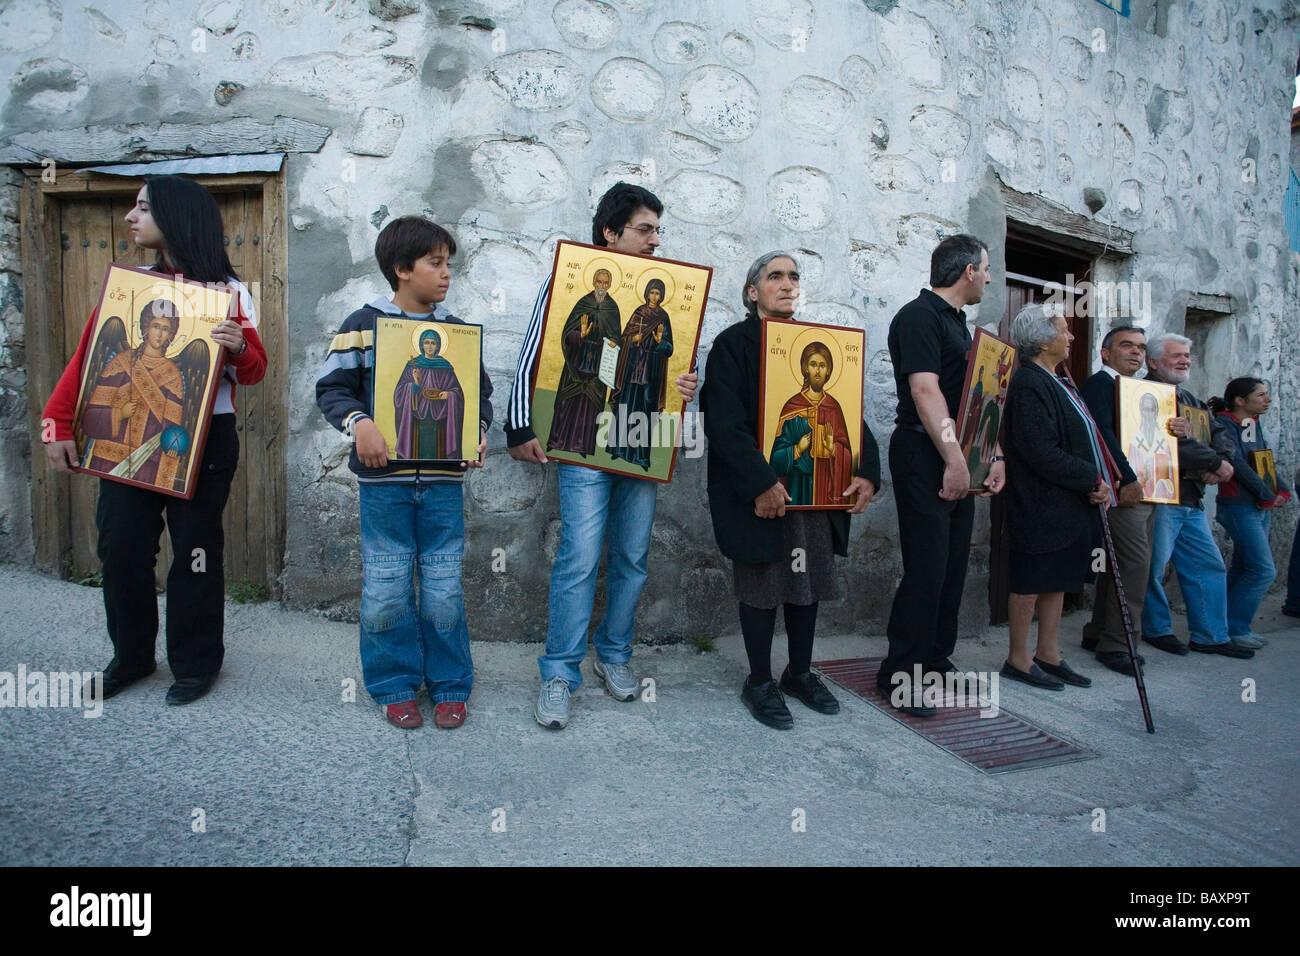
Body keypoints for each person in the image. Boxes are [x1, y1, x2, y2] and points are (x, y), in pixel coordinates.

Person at [42, 175, 267, 705]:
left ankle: (195, 663)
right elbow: (86, 363)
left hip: (204, 441)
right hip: (127, 439)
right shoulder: (130, 290)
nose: (130, 217)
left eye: (143, 207)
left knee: (195, 551)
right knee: (120, 546)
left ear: (176, 216)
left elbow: (254, 372)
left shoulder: (230, 295)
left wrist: (237, 347)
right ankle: (132, 658)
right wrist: (56, 424)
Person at [504, 182, 698, 730]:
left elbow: (669, 359)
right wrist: (520, 424)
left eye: (658, 230)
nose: (655, 240)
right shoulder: (566, 284)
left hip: (640, 425)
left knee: (633, 555)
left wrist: (681, 386)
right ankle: (560, 672)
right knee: (580, 555)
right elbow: (537, 352)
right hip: (586, 435)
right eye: (644, 229)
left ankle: (613, 654)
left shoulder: (652, 305)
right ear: (610, 233)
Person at [316, 216, 492, 730]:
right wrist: (362, 422)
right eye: (435, 263)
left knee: (443, 587)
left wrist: (477, 431)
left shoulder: (455, 334)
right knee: (387, 585)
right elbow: (332, 388)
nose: (446, 274)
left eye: (448, 264)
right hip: (384, 486)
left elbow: (476, 393)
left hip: (442, 484)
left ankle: (450, 682)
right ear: (401, 269)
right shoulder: (363, 325)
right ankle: (394, 682)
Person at [701, 252, 880, 728]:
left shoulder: (818, 344)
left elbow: (850, 414)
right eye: (774, 276)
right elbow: (724, 421)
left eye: (793, 276)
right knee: (762, 582)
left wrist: (866, 470)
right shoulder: (733, 345)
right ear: (752, 291)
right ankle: (758, 680)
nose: (786, 284)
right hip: (760, 493)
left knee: (807, 583)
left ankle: (799, 672)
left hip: (814, 492)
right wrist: (761, 482)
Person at [878, 234, 1005, 716]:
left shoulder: (958, 324)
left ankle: (934, 659)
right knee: (927, 568)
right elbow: (925, 391)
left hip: (959, 451)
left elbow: (980, 399)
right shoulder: (918, 317)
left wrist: (992, 456)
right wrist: (954, 459)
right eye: (987, 268)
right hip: (923, 451)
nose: (990, 278)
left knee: (952, 568)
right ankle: (899, 674)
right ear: (968, 270)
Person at [1001, 304, 1110, 690]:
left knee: (1058, 579)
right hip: (1039, 503)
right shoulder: (1030, 382)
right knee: (1031, 580)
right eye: (1065, 331)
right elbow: (1038, 449)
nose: (1071, 337)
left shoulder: (1057, 379)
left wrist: (1095, 480)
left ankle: (1048, 653)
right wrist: (1090, 477)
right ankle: (1018, 657)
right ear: (1044, 340)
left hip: (1065, 504)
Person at [1141, 334, 1254, 658]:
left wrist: (1220, 462)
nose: (1185, 360)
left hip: (1190, 499)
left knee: (1208, 565)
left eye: (1186, 355)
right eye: (1176, 355)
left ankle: (1210, 635)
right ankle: (1156, 629)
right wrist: (1214, 462)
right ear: (1153, 362)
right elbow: (1165, 444)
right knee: (1153, 569)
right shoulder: (1145, 394)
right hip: (1161, 497)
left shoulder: (1188, 396)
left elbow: (1217, 432)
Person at [1080, 326, 1159, 675]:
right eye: (1127, 345)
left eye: (1141, 347)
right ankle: (1119, 644)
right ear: (1105, 352)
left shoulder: (1139, 391)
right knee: (1135, 565)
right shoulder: (1100, 384)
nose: (1136, 353)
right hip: (1121, 491)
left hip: (1149, 488)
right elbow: (1101, 435)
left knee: (1120, 565)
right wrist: (1125, 478)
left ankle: (1098, 633)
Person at [1210, 377, 1291, 648]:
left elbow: (1262, 460)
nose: (1267, 399)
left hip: (1258, 506)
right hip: (1239, 506)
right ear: (1240, 401)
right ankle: (1236, 628)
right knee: (1263, 570)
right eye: (1260, 395)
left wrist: (1282, 489)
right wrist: (1267, 494)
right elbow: (1238, 465)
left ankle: (1227, 625)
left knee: (1245, 567)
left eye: (1267, 394)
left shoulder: (1251, 423)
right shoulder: (1224, 424)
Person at [80, 298, 188, 490]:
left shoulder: (173, 376)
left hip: (145, 464)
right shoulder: (121, 363)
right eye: (155, 326)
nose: (159, 334)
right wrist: (119, 414)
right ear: (146, 328)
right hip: (108, 459)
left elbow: (172, 428)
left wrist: (173, 444)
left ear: (171, 335)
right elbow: (90, 416)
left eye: (165, 329)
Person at [546, 268, 621, 456]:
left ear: (609, 285)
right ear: (594, 282)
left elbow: (616, 337)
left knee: (590, 406)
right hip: (577, 362)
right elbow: (567, 334)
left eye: (605, 283)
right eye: (599, 282)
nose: (602, 286)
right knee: (568, 401)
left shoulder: (612, 308)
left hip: (597, 363)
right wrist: (581, 334)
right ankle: (557, 441)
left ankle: (583, 447)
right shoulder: (583, 303)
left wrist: (613, 342)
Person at [769, 342, 853, 506]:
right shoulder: (792, 407)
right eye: (813, 364)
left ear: (828, 370)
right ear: (805, 368)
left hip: (826, 488)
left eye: (822, 365)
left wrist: (833, 448)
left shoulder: (834, 407)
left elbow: (849, 455)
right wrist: (798, 449)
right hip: (798, 486)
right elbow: (775, 460)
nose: (818, 371)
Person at [605, 277, 673, 468]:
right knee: (625, 408)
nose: (654, 296)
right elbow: (623, 339)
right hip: (632, 369)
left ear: (662, 296)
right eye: (651, 292)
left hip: (650, 372)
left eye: (657, 293)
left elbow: (669, 349)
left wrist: (660, 341)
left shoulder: (663, 317)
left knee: (645, 413)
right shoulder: (638, 313)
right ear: (646, 293)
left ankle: (642, 457)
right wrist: (631, 339)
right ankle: (618, 450)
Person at [393, 327, 465, 460]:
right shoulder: (413, 365)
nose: (430, 346)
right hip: (416, 417)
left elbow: (457, 391)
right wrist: (414, 384)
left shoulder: (445, 366)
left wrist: (450, 395)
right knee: (415, 451)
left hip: (440, 417)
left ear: (438, 345)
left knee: (439, 451)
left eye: (433, 342)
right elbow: (399, 393)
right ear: (421, 345)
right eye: (426, 342)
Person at [1128, 391, 1176, 500]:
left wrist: (1161, 484)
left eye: (1152, 410)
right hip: (1140, 497)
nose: (1148, 414)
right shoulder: (1135, 440)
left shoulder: (1163, 441)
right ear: (1141, 412)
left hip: (1161, 499)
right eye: (1145, 410)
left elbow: (1169, 476)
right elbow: (1131, 472)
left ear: (1156, 412)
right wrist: (1143, 479)